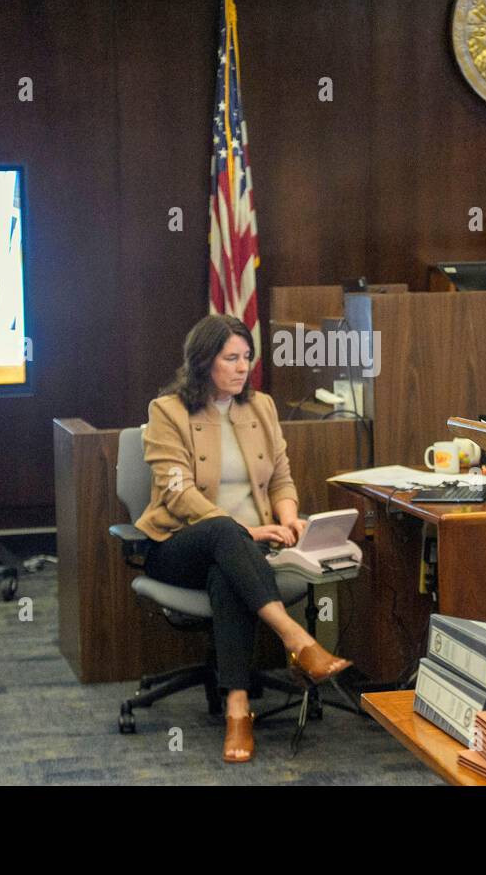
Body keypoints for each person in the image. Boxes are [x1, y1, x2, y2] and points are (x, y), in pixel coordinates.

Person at [135, 314, 351, 762]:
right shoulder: (167, 411)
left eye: (247, 357)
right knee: (223, 534)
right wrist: (248, 529)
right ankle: (295, 639)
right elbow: (178, 493)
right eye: (230, 358)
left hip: (244, 554)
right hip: (178, 546)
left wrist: (290, 519)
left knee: (227, 571)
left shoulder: (261, 407)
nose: (241, 367)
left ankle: (237, 710)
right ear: (202, 362)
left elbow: (281, 479)